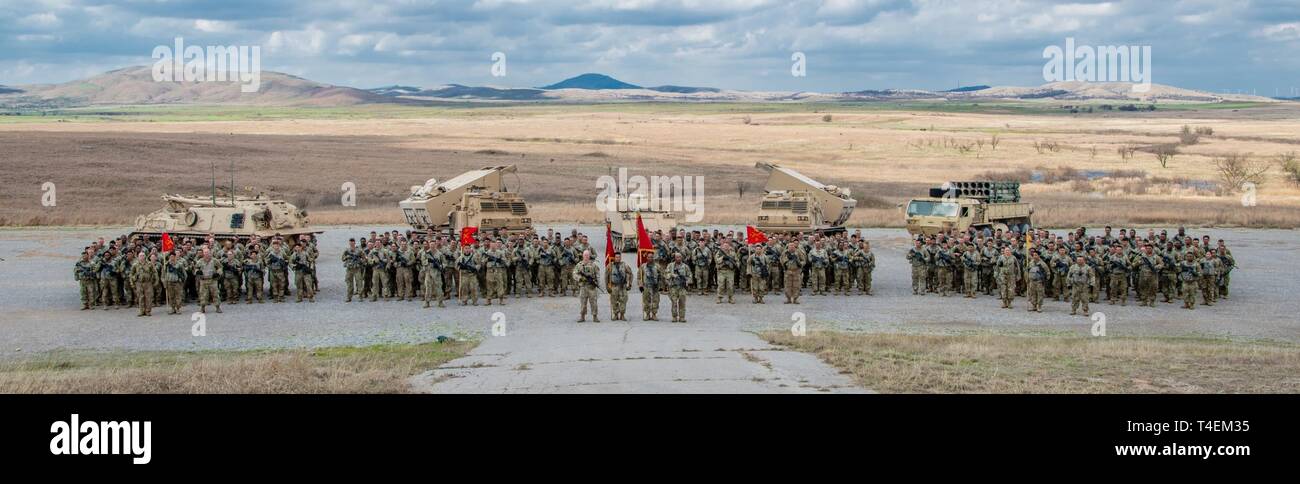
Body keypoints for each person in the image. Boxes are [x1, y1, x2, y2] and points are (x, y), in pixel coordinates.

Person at [573, 250, 601, 322]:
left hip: (591, 287)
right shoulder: (579, 265)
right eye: (585, 255)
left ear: (589, 256)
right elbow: (574, 274)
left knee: (594, 302)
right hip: (583, 287)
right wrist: (580, 278)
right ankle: (582, 316)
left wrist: (597, 283)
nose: (586, 256)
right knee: (583, 302)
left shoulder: (594, 265)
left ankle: (595, 316)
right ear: (583, 256)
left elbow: (597, 274)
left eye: (587, 255)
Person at [605, 252, 632, 321]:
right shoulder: (610, 266)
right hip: (614, 286)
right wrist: (607, 286)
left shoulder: (624, 265)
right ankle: (616, 314)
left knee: (623, 301)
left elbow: (630, 273)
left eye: (619, 257)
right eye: (616, 257)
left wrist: (629, 284)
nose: (618, 258)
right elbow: (606, 276)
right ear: (614, 258)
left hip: (622, 286)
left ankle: (622, 315)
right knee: (614, 301)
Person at [665, 253, 692, 322]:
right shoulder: (670, 266)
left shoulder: (685, 266)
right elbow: (666, 274)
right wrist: (671, 275)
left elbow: (690, 276)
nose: (678, 258)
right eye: (677, 257)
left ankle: (682, 317)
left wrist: (687, 282)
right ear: (675, 258)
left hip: (682, 287)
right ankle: (674, 317)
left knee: (682, 302)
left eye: (680, 257)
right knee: (674, 303)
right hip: (673, 287)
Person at [196, 248, 223, 313]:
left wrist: (218, 273)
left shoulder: (215, 260)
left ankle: (217, 307)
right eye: (205, 252)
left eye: (208, 252)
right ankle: (202, 307)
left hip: (212, 280)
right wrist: (197, 272)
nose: (207, 254)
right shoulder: (200, 261)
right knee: (203, 295)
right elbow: (196, 268)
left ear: (210, 253)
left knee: (215, 294)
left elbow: (220, 267)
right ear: (203, 253)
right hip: (203, 280)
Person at [639, 252, 663, 320]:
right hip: (646, 286)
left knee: (656, 301)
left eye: (652, 257)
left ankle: (654, 314)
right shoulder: (643, 266)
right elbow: (639, 277)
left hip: (655, 286)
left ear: (653, 258)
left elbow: (661, 277)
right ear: (647, 258)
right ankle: (647, 314)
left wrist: (661, 286)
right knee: (646, 301)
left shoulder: (657, 266)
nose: (650, 258)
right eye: (649, 257)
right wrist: (640, 285)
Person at [342, 238, 365, 302]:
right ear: (349, 243)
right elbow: (342, 258)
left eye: (353, 242)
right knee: (349, 284)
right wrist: (347, 257)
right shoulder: (346, 250)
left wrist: (360, 262)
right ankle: (349, 297)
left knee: (359, 283)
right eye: (350, 242)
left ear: (355, 243)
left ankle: (360, 296)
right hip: (349, 269)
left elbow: (364, 258)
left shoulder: (359, 250)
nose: (352, 243)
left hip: (357, 269)